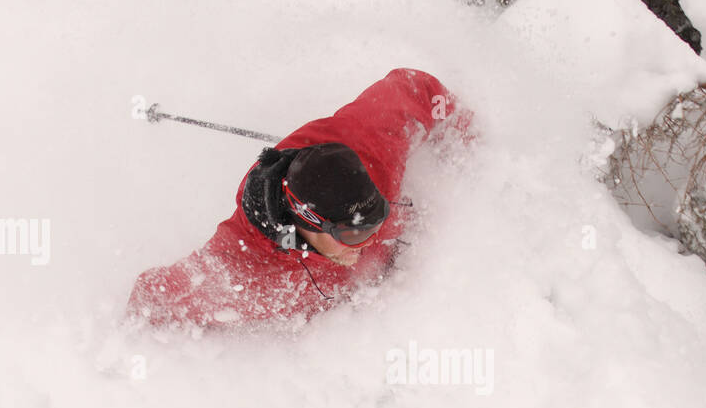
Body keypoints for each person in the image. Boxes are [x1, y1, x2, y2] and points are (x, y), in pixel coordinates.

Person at [126, 68, 469, 328]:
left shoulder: (375, 147)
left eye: (376, 219)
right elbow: (153, 297)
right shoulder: (244, 261)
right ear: (308, 222)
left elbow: (418, 89)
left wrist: (465, 144)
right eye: (354, 233)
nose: (367, 241)